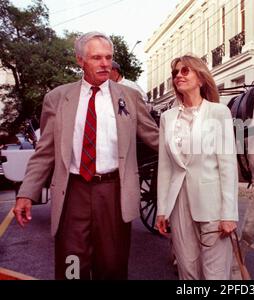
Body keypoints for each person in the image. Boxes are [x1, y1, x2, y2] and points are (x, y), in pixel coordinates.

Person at [13, 31, 159, 280]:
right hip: (72, 192)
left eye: (108, 58)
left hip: (113, 193)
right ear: (80, 60)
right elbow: (45, 151)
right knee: (72, 267)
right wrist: (27, 192)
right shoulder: (57, 98)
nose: (105, 64)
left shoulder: (130, 97)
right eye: (97, 58)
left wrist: (196, 152)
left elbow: (155, 139)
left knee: (112, 267)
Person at [156, 54, 238, 280]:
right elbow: (165, 167)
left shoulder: (218, 112)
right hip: (178, 202)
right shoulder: (167, 118)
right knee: (187, 270)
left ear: (201, 79)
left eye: (185, 71)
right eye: (175, 73)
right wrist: (162, 209)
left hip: (212, 202)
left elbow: (228, 165)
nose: (178, 76)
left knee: (215, 274)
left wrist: (229, 213)